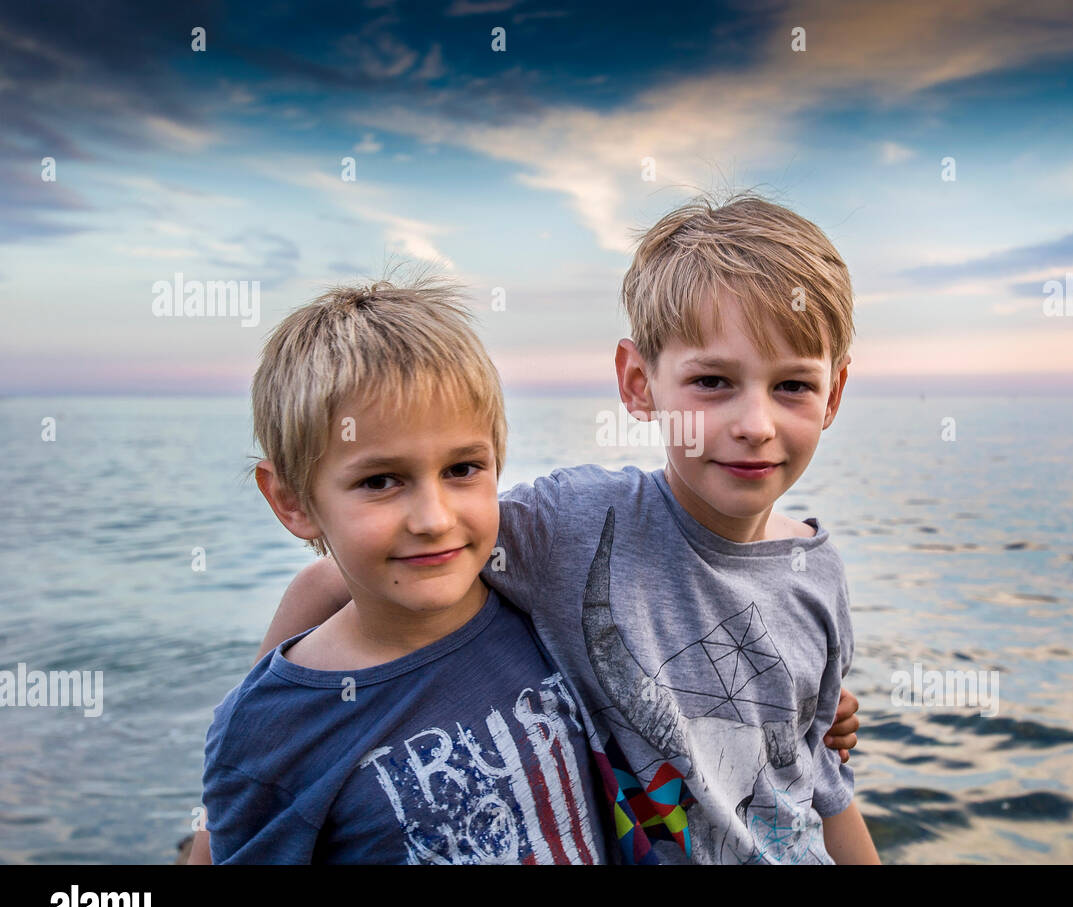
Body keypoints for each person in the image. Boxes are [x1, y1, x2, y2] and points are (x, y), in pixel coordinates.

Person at [229, 193, 880, 865]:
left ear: (833, 394)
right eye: (712, 380)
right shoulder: (572, 526)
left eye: (793, 386)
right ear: (637, 381)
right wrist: (267, 721)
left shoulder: (817, 571)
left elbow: (825, 786)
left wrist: (804, 702)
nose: (755, 424)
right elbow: (369, 562)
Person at [198, 278, 604, 864]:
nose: (434, 519)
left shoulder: (547, 605)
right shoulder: (272, 730)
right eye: (380, 481)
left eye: (463, 468)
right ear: (292, 501)